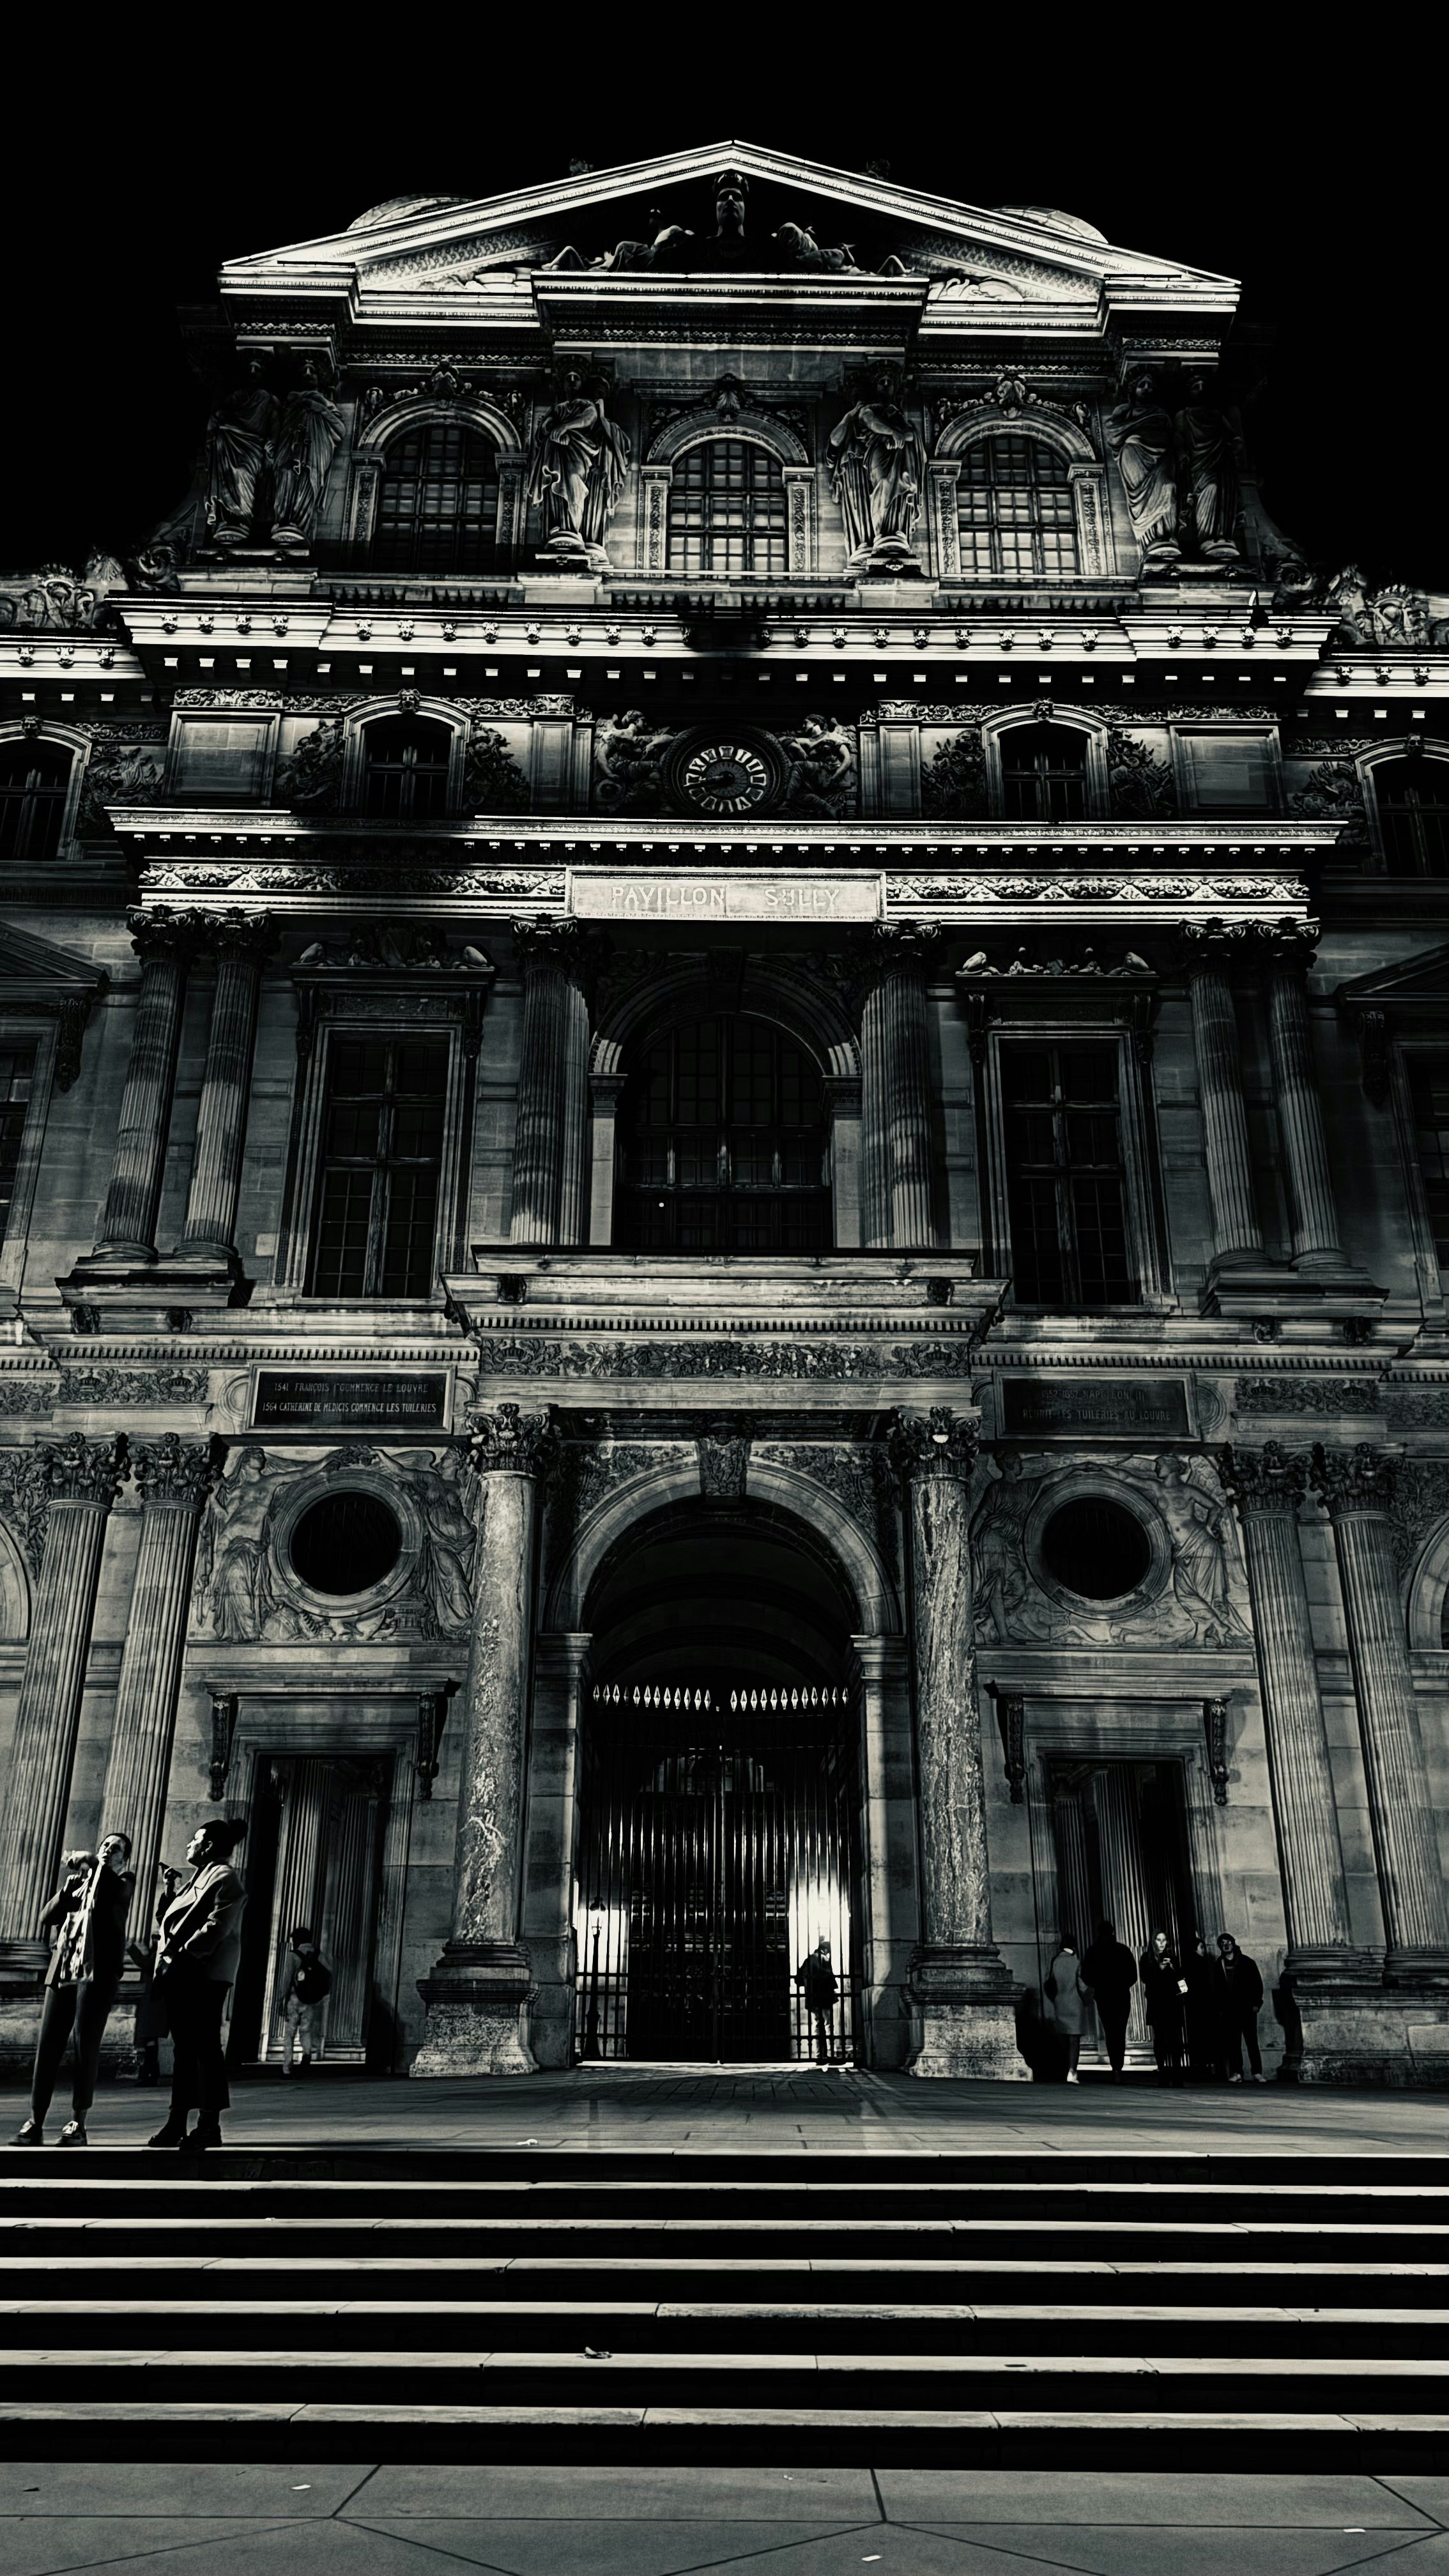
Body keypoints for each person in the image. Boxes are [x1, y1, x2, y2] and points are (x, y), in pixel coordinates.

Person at [11, 1832, 135, 2146]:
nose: (108, 1850)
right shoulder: (78, 1886)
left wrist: (92, 1865)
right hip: (63, 1971)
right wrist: (67, 1891)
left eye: (116, 1848)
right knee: (47, 2048)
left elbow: (109, 1892)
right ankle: (35, 2122)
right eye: (105, 1845)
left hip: (96, 1976)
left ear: (125, 1859)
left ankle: (77, 2124)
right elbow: (45, 1918)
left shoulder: (123, 1883)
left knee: (85, 2047)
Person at [146, 1818, 247, 2155]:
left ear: (209, 1846)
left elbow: (216, 1927)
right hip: (181, 1973)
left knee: (204, 2047)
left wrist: (180, 1959)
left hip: (202, 1973)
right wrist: (169, 1892)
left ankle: (208, 2125)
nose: (188, 1844)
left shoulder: (224, 1876)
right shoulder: (197, 1879)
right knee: (184, 2049)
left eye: (195, 1839)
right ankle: (177, 2121)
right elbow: (170, 1922)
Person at [1081, 1919, 1137, 2080]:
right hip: (1121, 1995)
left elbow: (1086, 1975)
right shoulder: (1123, 1950)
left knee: (1110, 2031)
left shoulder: (1093, 1951)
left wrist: (1099, 1984)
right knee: (1120, 2032)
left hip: (1104, 1996)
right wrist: (1122, 1984)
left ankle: (1116, 2067)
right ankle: (1118, 2066)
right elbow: (1133, 1975)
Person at [1213, 1932, 1266, 2084]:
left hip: (1247, 2008)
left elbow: (1257, 1984)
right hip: (1230, 2010)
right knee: (1234, 2043)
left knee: (1252, 2041)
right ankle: (1238, 2072)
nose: (1226, 1945)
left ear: (1233, 1943)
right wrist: (1221, 2008)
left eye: (1228, 1941)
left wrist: (1257, 2004)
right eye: (1223, 1943)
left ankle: (1257, 2072)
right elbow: (1217, 1988)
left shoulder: (1247, 1962)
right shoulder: (1219, 1964)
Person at [277, 1926, 332, 2074]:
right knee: (306, 2031)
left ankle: (287, 2068)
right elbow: (328, 1976)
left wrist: (280, 2000)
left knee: (289, 2034)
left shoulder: (293, 1956)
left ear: (298, 1939)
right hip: (311, 2000)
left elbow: (286, 1979)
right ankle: (307, 2053)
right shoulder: (320, 1955)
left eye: (294, 1939)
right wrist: (324, 1996)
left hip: (295, 1999)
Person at [1140, 1929, 1189, 2087]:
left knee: (1176, 2040)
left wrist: (1184, 1990)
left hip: (1172, 2003)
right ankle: (1162, 2071)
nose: (1161, 1944)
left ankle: (1177, 2072)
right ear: (1153, 1942)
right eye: (1158, 1940)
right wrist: (1159, 1969)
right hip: (1157, 2004)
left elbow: (1180, 1976)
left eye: (1164, 1940)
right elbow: (1145, 1978)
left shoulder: (1172, 1958)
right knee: (1160, 2039)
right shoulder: (1146, 1959)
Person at [1044, 1934, 1091, 2084]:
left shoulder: (1055, 1962)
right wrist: (1088, 1999)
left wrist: (1054, 1999)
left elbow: (1049, 1983)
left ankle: (1063, 2068)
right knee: (1074, 2040)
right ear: (1074, 1946)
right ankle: (1072, 2071)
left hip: (1060, 2002)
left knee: (1063, 2038)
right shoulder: (1076, 1962)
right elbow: (1082, 1985)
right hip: (1075, 2004)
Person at [1184, 1933, 1223, 2083]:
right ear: (1195, 1949)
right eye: (1201, 1947)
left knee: (1200, 2035)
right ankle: (1207, 2066)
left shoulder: (1194, 1964)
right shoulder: (1201, 1964)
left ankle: (1202, 2065)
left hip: (1197, 2004)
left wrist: (1185, 1995)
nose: (1204, 1950)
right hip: (1202, 2004)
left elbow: (1182, 1981)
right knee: (1205, 2035)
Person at [795, 1939, 839, 2065]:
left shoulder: (808, 1960)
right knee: (829, 2025)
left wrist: (809, 1984)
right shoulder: (824, 1959)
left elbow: (798, 1980)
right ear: (826, 1950)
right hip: (824, 1998)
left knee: (818, 2026)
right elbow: (830, 1979)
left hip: (812, 1999)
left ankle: (819, 2055)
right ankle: (831, 2055)